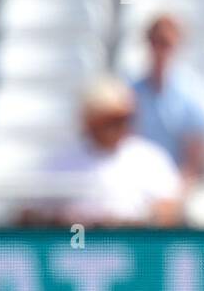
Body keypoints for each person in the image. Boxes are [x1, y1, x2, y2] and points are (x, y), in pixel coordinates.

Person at [38, 76, 183, 226]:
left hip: (134, 245)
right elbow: (34, 211)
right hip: (78, 244)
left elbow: (171, 207)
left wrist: (139, 221)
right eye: (111, 119)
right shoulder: (62, 161)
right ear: (90, 121)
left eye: (125, 118)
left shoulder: (150, 158)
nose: (120, 126)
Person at [130, 15, 204, 182]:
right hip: (137, 184)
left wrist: (175, 194)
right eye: (156, 42)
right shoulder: (131, 92)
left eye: (166, 43)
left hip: (179, 186)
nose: (160, 50)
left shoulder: (195, 94)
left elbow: (195, 159)